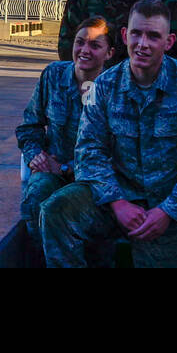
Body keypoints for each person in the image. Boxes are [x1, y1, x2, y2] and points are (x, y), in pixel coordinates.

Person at [41, 0, 177, 268]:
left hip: (171, 207)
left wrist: (167, 211)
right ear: (125, 35)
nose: (142, 44)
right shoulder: (102, 86)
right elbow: (88, 150)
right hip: (115, 197)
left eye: (153, 36)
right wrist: (117, 202)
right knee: (56, 210)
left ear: (169, 42)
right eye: (136, 34)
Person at [15, 17, 113, 250]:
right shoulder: (53, 75)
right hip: (51, 169)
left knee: (78, 217)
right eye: (80, 42)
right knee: (36, 198)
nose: (84, 50)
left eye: (95, 45)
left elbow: (117, 150)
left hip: (93, 177)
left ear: (109, 53)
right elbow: (29, 126)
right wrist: (35, 155)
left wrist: (68, 168)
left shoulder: (114, 88)